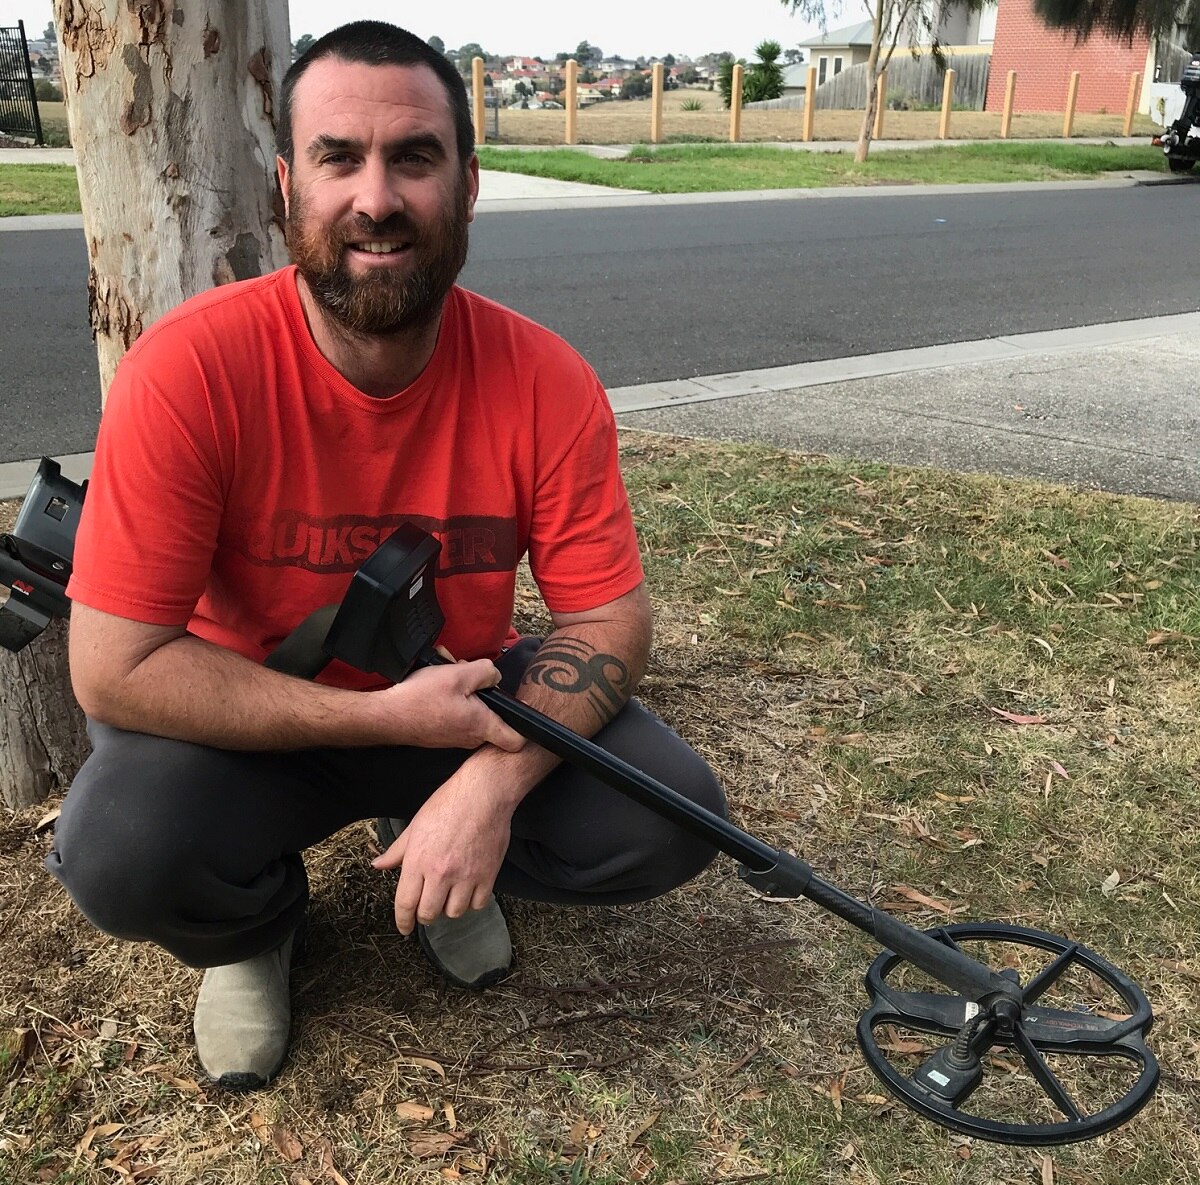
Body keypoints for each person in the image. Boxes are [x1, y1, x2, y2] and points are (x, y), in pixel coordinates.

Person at [45, 22, 726, 1091]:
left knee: (668, 816)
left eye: (414, 157)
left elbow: (609, 619)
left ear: (467, 185)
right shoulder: (185, 373)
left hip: (459, 702)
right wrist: (379, 720)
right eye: (338, 159)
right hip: (249, 713)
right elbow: (114, 668)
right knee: (121, 853)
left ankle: (439, 845)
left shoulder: (546, 379)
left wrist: (489, 785)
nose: (376, 198)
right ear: (288, 186)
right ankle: (253, 930)